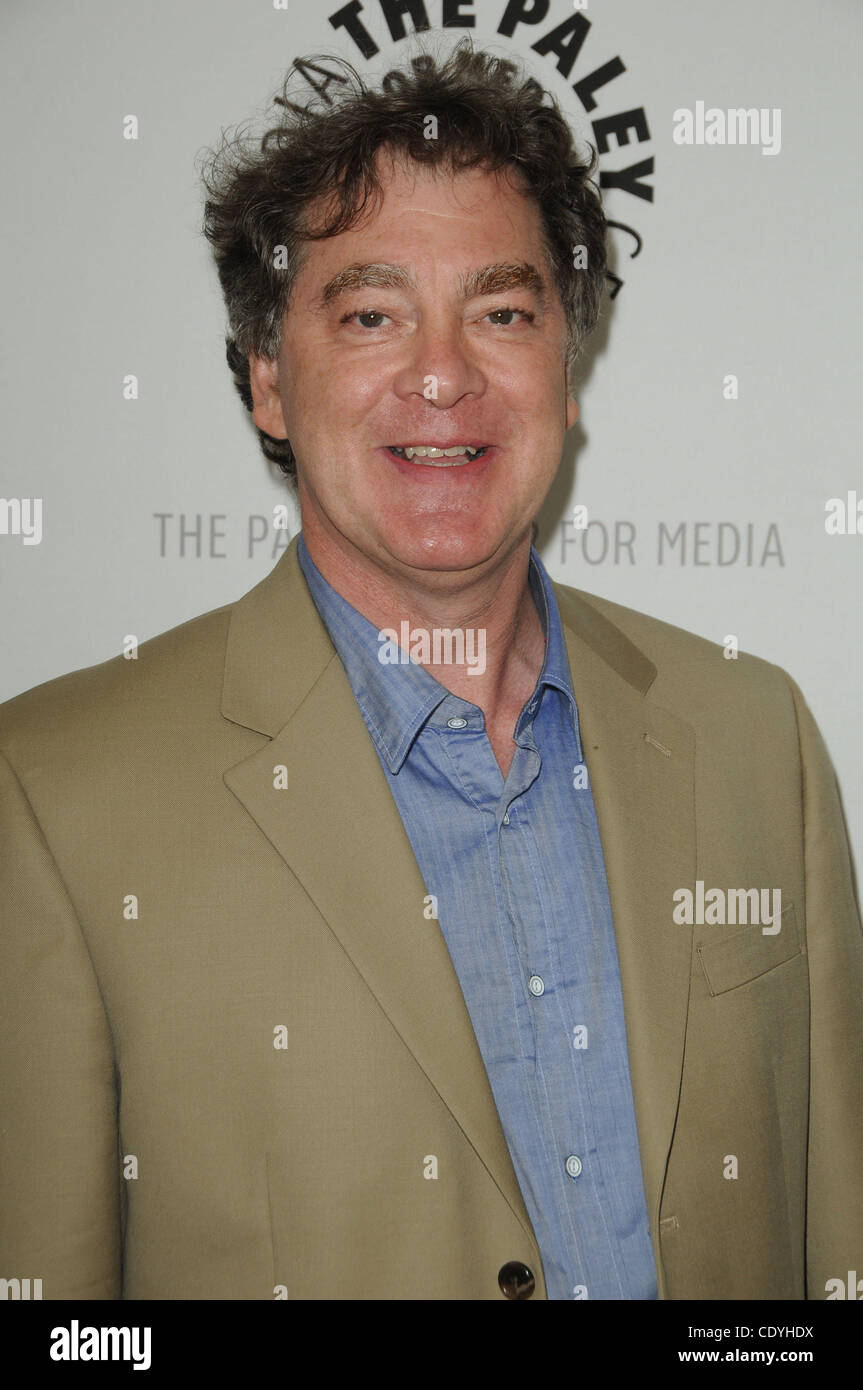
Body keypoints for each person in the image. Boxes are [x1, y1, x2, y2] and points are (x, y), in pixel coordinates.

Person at [1, 43, 861, 1302]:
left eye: (502, 312)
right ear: (265, 382)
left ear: (566, 369)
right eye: (369, 314)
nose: (444, 373)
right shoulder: (53, 798)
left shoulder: (754, 736)